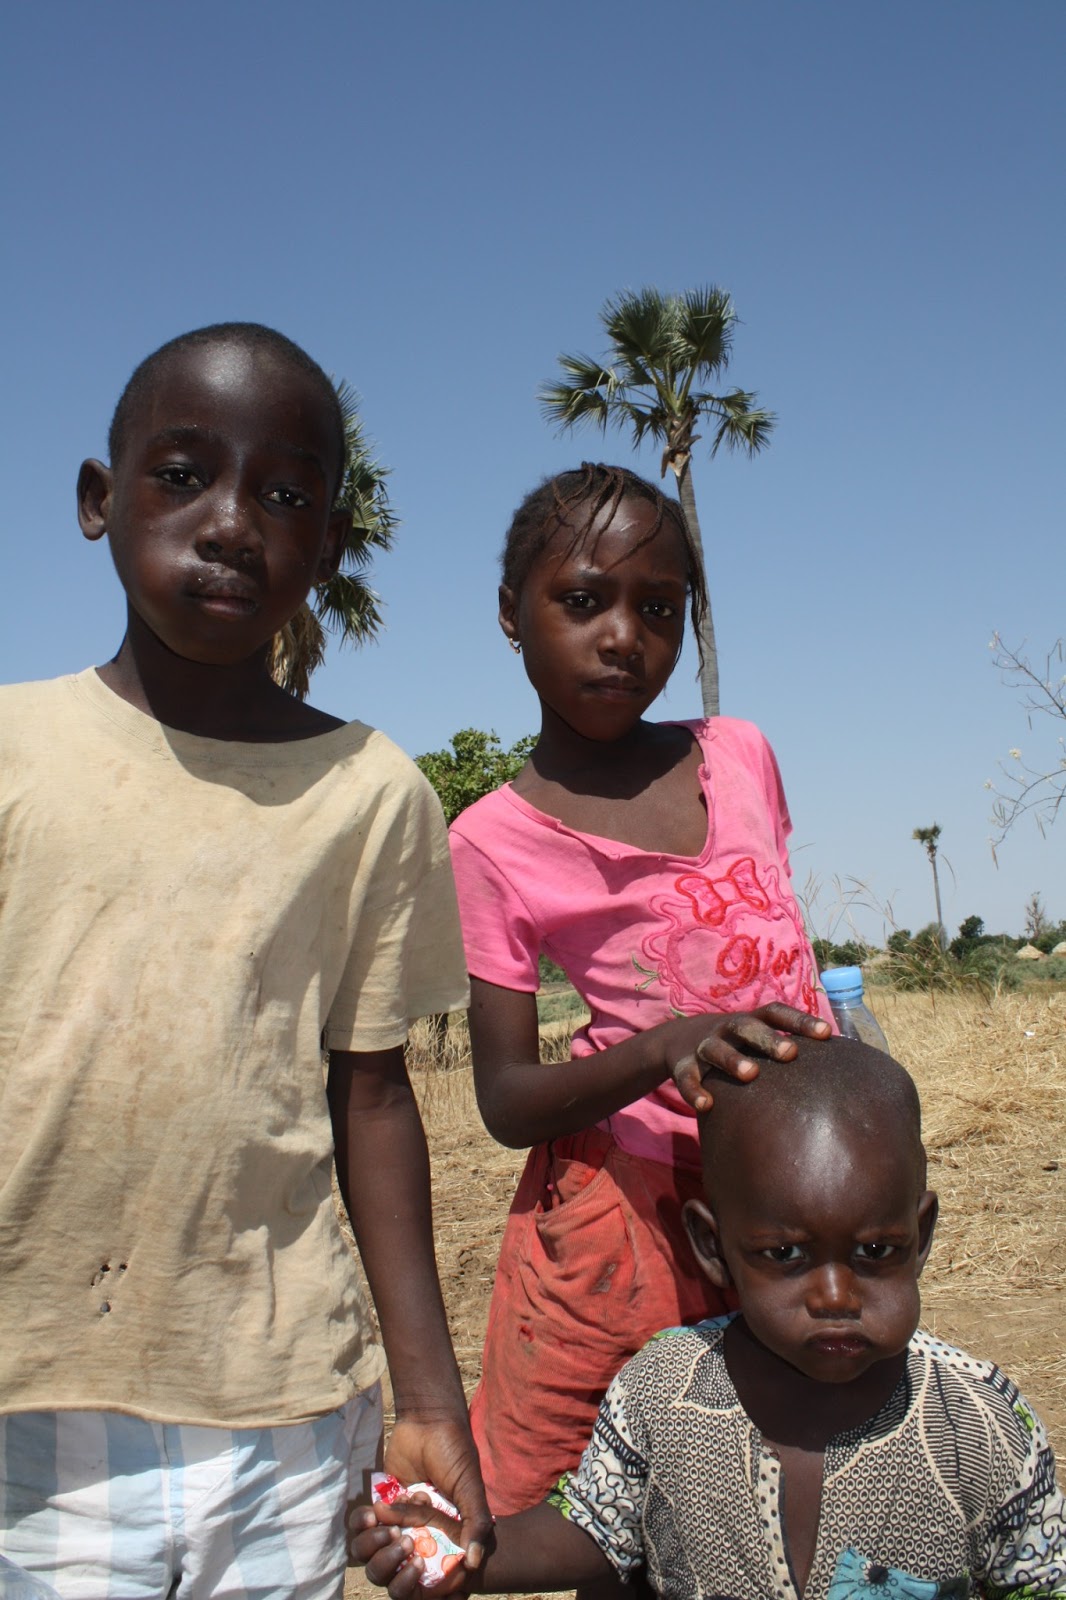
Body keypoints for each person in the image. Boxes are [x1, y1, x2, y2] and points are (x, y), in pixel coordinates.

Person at [0, 323, 490, 1599]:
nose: (230, 523)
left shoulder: (368, 792)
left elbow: (372, 1098)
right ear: (99, 501)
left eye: (282, 495)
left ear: (326, 546)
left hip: (280, 1405)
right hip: (28, 1402)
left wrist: (430, 1401)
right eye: (182, 475)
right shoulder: (14, 748)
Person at [447, 462, 833, 1512]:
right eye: (583, 600)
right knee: (608, 1498)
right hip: (631, 1215)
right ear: (511, 614)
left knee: (783, 1479)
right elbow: (505, 1100)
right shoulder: (492, 841)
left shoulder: (739, 754)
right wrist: (665, 1046)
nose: (624, 636)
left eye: (658, 608)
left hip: (794, 1194)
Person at [353, 1036, 1066, 1600]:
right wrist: (464, 1553)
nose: (835, 1295)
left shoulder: (981, 1421)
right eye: (785, 1254)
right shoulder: (662, 1388)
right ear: (712, 1246)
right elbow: (593, 1531)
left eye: (875, 1252)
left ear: (922, 1234)